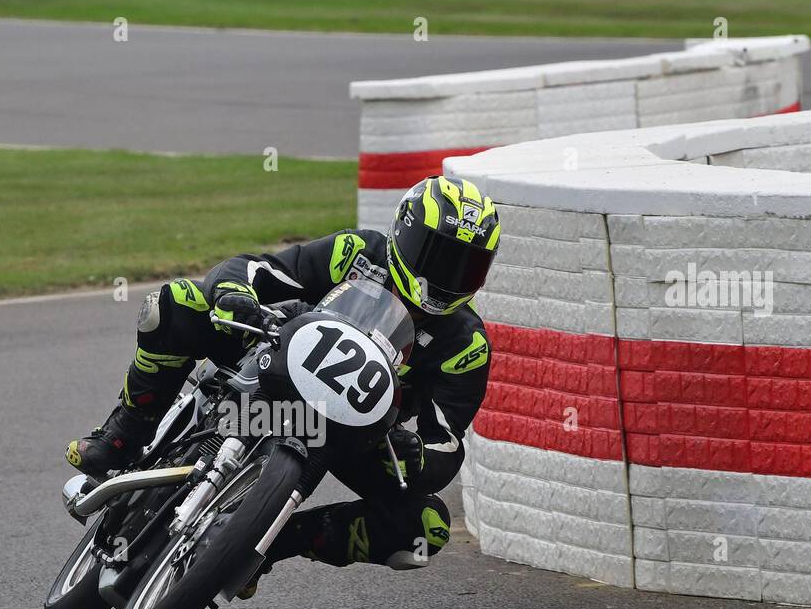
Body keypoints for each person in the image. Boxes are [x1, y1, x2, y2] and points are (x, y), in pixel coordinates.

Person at [66, 175, 499, 573]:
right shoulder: (356, 252)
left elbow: (445, 443)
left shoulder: (466, 345)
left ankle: (267, 544)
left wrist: (415, 453)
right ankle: (123, 435)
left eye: (468, 266)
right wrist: (236, 293)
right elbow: (261, 268)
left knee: (426, 526)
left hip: (353, 434)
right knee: (174, 304)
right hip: (275, 354)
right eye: (439, 257)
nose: (449, 276)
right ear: (405, 234)